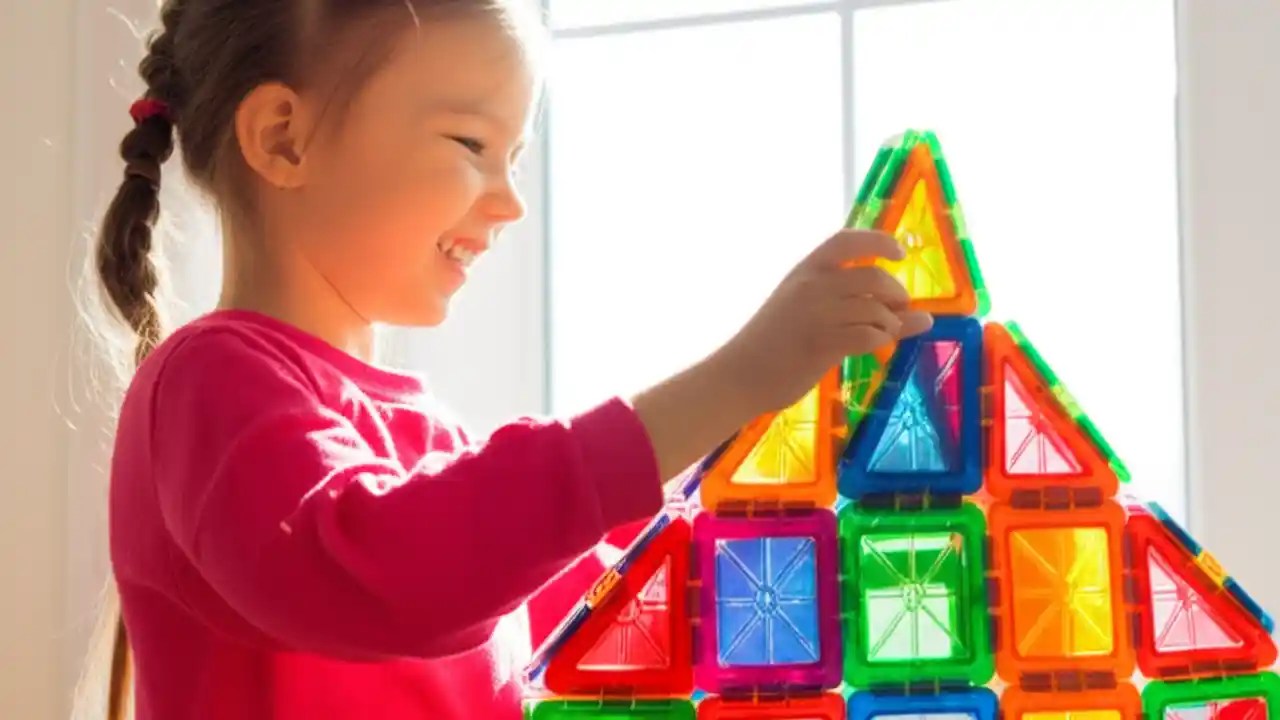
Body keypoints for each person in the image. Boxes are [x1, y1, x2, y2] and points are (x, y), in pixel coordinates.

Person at [84, 1, 933, 718]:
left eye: (516, 158)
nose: (511, 200)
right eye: (468, 144)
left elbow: (596, 624)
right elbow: (389, 569)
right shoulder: (207, 381)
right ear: (284, 138)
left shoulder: (431, 442)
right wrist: (731, 380)